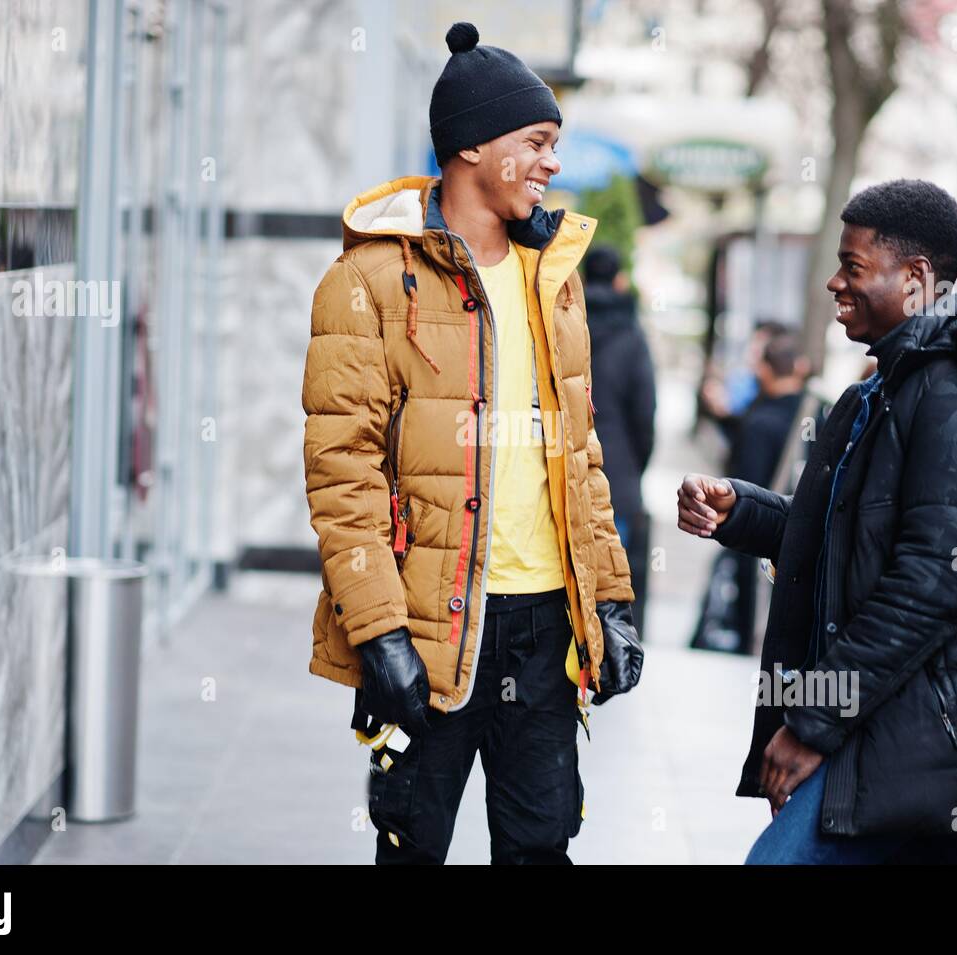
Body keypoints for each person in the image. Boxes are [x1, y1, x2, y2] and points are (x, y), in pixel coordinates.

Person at [302, 21, 642, 865]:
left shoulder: (554, 280)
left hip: (545, 627)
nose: (552, 164)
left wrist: (609, 599)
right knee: (411, 845)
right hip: (431, 622)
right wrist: (378, 630)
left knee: (540, 849)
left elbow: (582, 454)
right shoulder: (369, 279)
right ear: (472, 148)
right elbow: (341, 473)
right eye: (536, 142)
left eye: (554, 144)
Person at [677, 179, 957, 863]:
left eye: (854, 267)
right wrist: (740, 512)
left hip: (922, 735)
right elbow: (844, 535)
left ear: (917, 278)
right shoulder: (882, 389)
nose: (835, 282)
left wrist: (812, 723)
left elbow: (931, 582)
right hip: (886, 721)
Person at [692, 331, 809, 655]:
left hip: (762, 537)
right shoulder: (818, 412)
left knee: (754, 626)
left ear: (765, 370)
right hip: (805, 539)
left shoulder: (760, 422)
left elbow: (744, 494)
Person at [582, 245, 656, 639]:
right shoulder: (631, 336)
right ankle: (612, 649)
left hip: (567, 466)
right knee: (615, 574)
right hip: (618, 475)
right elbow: (645, 415)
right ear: (617, 280)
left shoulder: (565, 319)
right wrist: (634, 466)